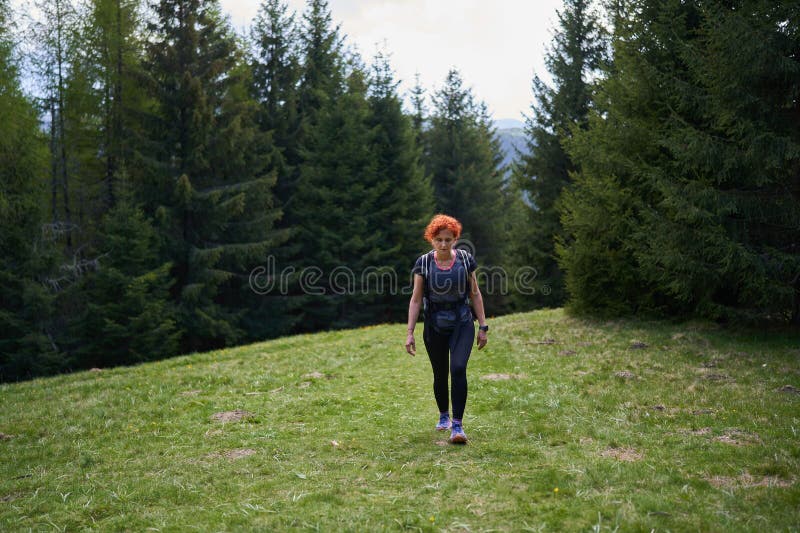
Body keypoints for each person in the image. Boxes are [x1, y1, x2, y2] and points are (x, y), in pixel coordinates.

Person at [405, 214, 489, 444]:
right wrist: (410, 332)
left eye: (448, 239)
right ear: (431, 239)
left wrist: (483, 326)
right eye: (439, 239)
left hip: (462, 321)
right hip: (434, 324)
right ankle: (444, 415)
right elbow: (415, 299)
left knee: (459, 368)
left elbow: (475, 293)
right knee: (440, 373)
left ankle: (458, 426)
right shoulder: (423, 263)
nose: (443, 244)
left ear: (455, 239)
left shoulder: (465, 259)